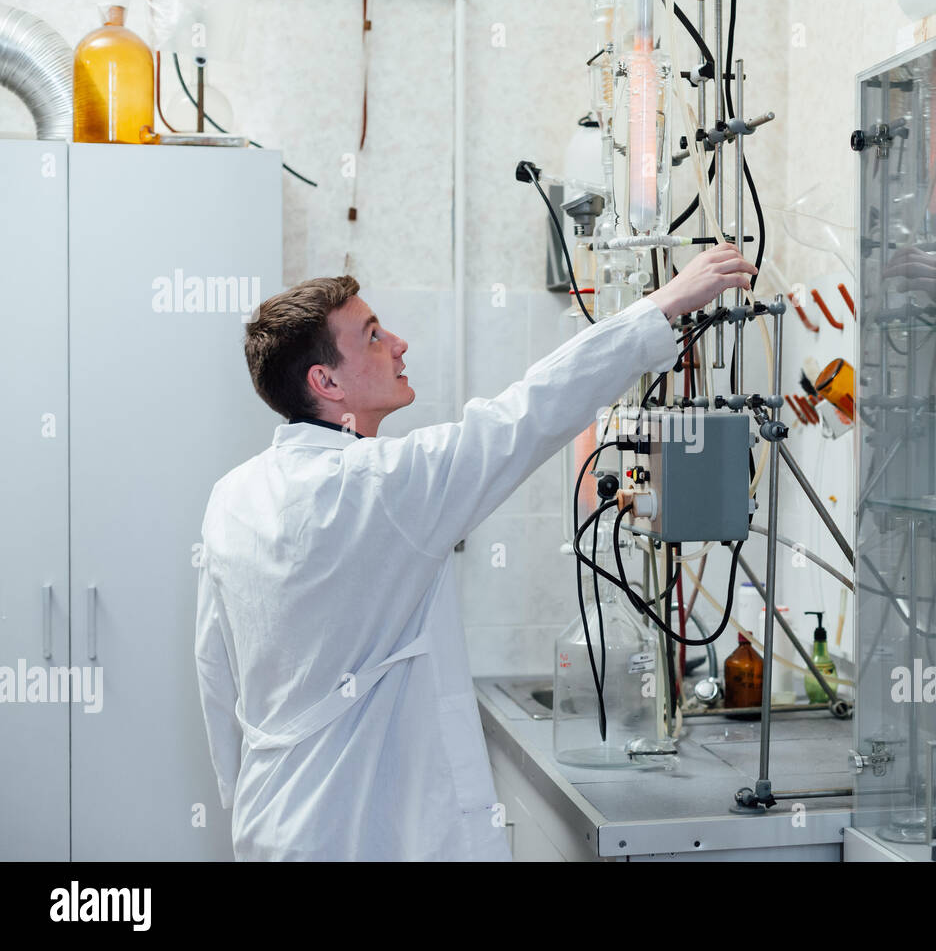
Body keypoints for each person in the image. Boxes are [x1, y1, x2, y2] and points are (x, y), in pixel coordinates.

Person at [195, 244, 757, 861]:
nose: (400, 344)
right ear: (325, 381)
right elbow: (524, 416)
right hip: (359, 832)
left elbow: (215, 668)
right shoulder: (379, 485)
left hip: (269, 818)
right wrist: (662, 305)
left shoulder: (233, 494)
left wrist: (236, 780)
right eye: (375, 336)